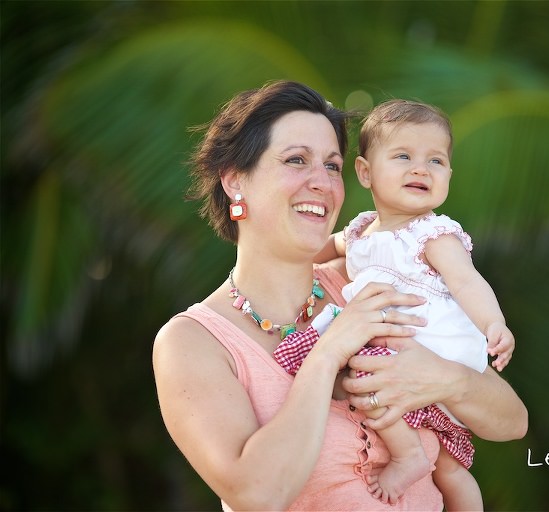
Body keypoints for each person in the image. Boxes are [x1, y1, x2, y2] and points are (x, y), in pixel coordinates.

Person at [152, 80, 528, 511]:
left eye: (332, 166)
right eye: (296, 160)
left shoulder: (368, 285)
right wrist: (328, 352)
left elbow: (512, 420)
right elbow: (257, 494)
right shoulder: (192, 342)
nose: (322, 182)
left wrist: (447, 379)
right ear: (236, 180)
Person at [274, 99, 515, 509]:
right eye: (403, 156)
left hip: (432, 345)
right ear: (365, 172)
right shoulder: (361, 231)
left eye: (436, 161)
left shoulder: (434, 234)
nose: (421, 169)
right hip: (396, 344)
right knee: (449, 466)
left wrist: (495, 324)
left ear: (449, 175)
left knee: (362, 375)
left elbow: (467, 281)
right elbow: (324, 248)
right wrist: (290, 258)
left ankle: (406, 455)